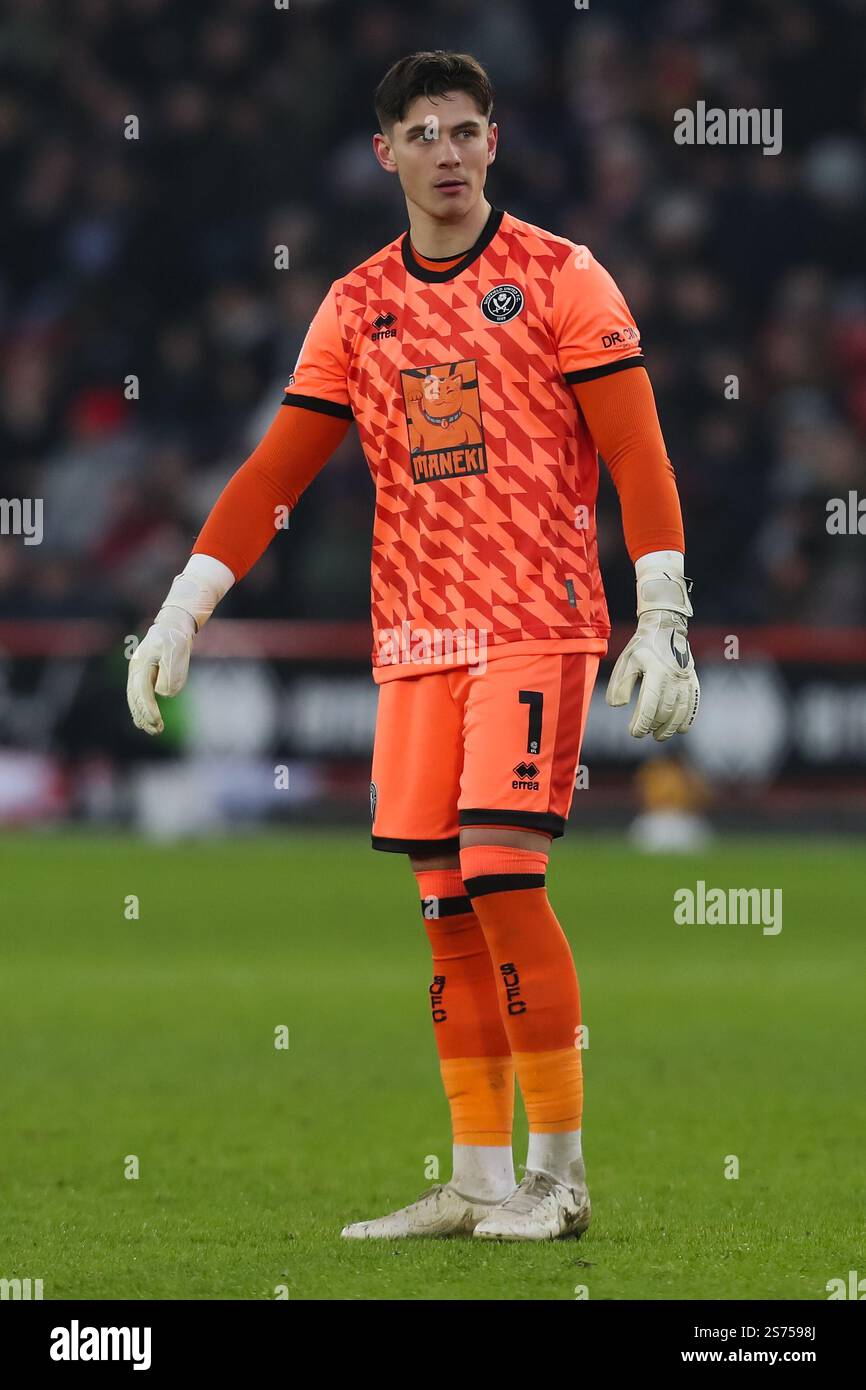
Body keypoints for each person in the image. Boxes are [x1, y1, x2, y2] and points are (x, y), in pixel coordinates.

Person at [127, 50, 699, 1242]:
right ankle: (479, 1179)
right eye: (424, 133)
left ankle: (561, 1178)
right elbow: (277, 468)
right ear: (384, 152)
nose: (448, 152)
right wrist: (185, 602)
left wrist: (661, 612)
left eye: (467, 131)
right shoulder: (355, 304)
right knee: (443, 906)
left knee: (500, 874)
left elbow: (638, 454)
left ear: (493, 144)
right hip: (415, 638)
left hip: (533, 622)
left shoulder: (560, 277)